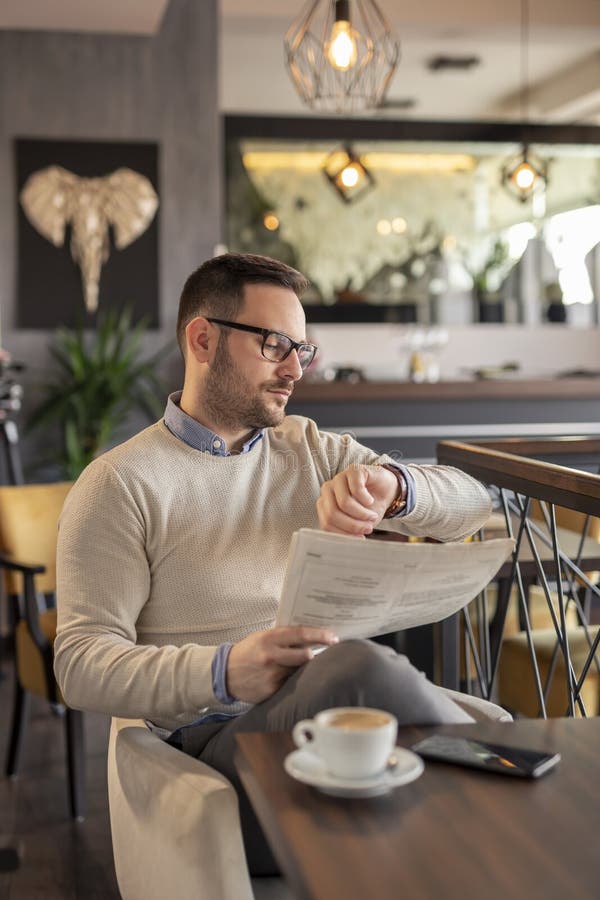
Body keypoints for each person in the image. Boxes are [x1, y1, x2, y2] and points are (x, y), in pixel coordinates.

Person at [55, 252, 491, 873]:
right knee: (359, 667)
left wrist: (394, 486)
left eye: (302, 349)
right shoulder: (120, 483)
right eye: (274, 344)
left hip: (315, 717)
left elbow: (475, 505)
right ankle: (529, 792)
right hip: (216, 754)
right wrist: (226, 670)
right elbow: (79, 663)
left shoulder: (311, 450)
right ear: (203, 339)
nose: (294, 369)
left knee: (382, 713)